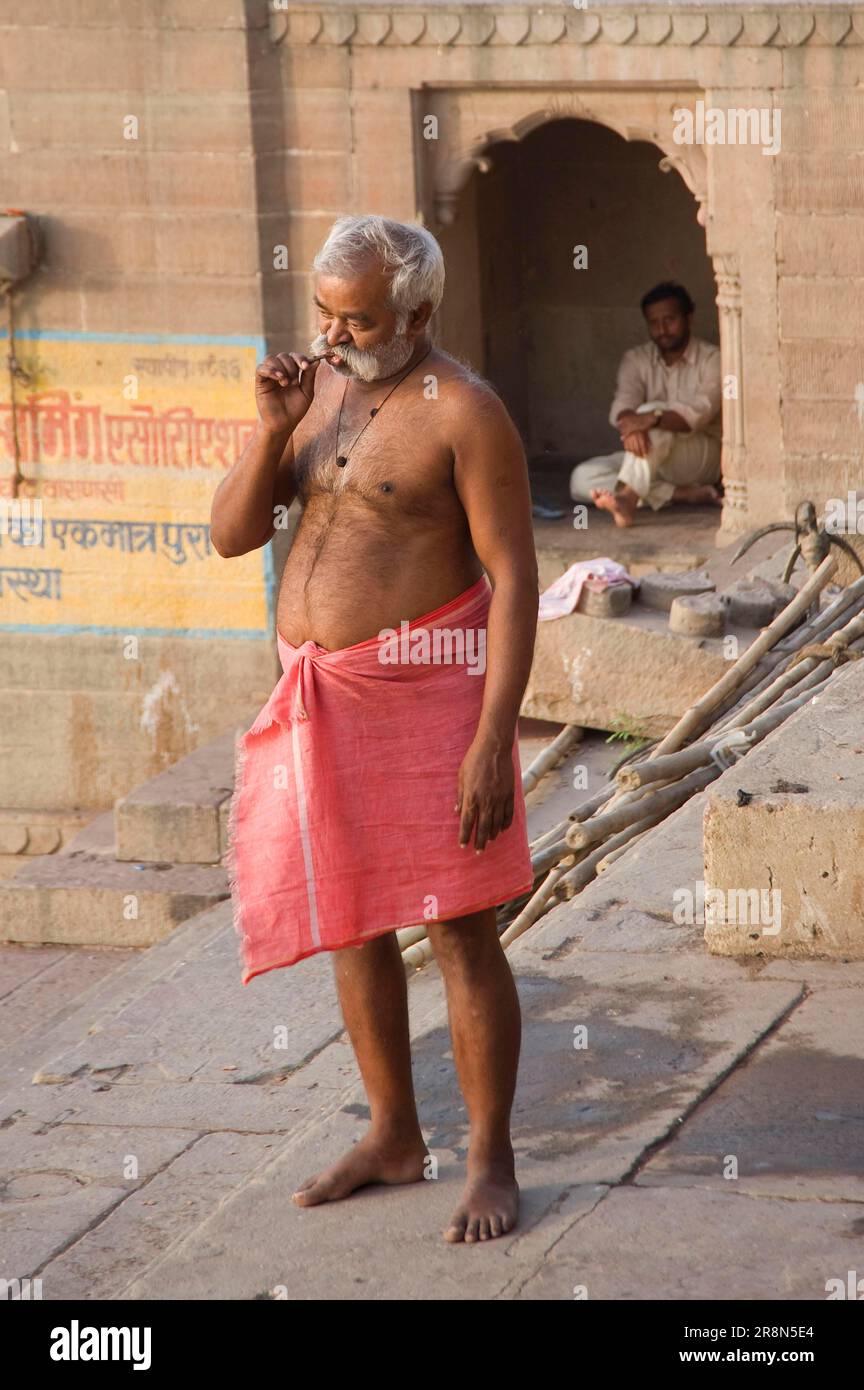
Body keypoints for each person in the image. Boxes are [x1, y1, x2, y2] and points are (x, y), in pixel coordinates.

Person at [210, 215, 539, 1245]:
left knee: (458, 927)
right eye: (326, 312)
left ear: (418, 315)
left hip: (431, 701)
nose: (335, 331)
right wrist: (271, 428)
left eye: (357, 317)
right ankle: (395, 1134)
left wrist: (495, 738)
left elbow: (516, 578)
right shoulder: (312, 397)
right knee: (352, 919)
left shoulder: (466, 413)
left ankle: (490, 1157)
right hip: (322, 701)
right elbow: (229, 536)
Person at [570, 282, 723, 527]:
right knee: (582, 478)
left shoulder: (713, 359)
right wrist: (637, 424)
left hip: (702, 456)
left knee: (651, 413)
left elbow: (696, 416)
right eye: (653, 322)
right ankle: (680, 494)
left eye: (670, 319)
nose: (662, 329)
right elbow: (622, 408)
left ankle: (629, 500)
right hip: (650, 456)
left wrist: (651, 418)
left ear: (689, 318)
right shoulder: (636, 359)